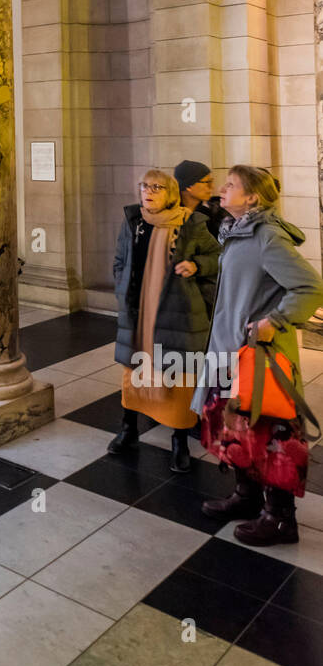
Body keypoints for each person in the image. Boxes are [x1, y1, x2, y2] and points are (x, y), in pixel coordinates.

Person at [194, 165, 323, 546]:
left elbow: (311, 287)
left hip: (258, 354)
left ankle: (280, 519)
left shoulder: (266, 237)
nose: (221, 189)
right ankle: (247, 498)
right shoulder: (236, 232)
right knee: (238, 427)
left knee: (270, 433)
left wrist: (276, 321)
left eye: (230, 185)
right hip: (230, 348)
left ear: (252, 197)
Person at [112, 168, 221, 472]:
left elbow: (218, 257)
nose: (148, 192)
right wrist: (123, 292)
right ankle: (129, 429)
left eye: (156, 187)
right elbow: (119, 261)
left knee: (178, 378)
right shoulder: (133, 222)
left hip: (177, 314)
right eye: (144, 186)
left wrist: (196, 265)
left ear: (171, 193)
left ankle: (179, 441)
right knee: (134, 372)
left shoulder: (191, 224)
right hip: (139, 312)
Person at [174, 159, 226, 242]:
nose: (212, 186)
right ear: (189, 186)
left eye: (211, 181)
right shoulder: (170, 215)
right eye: (207, 182)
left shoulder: (216, 211)